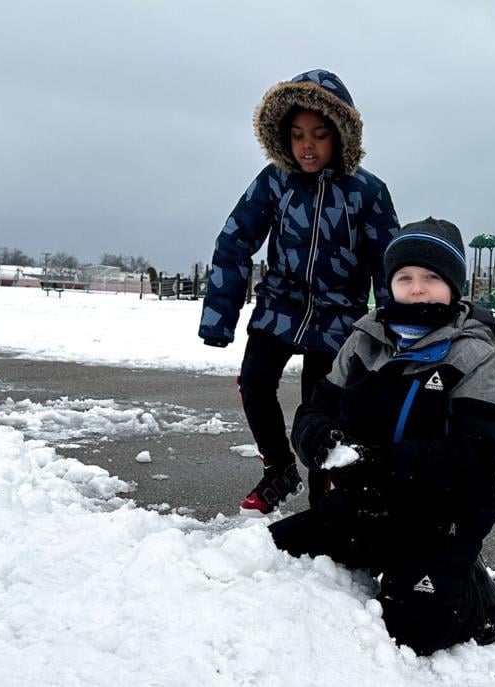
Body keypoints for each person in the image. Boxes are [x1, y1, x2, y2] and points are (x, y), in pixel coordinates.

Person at [270, 217, 495, 654]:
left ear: (453, 286)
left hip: (435, 519)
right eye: (405, 277)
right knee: (269, 558)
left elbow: (477, 457)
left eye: (431, 278)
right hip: (362, 504)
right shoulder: (366, 339)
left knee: (412, 635)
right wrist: (315, 436)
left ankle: (479, 598)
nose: (416, 288)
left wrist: (382, 462)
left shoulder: (475, 356)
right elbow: (315, 407)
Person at [198, 69, 400, 515]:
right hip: (281, 307)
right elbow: (234, 240)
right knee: (254, 384)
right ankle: (278, 468)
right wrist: (219, 316)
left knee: (321, 406)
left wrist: (393, 332)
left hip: (338, 319)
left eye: (320, 135)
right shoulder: (276, 181)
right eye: (297, 135)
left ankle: (322, 491)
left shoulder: (367, 192)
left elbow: (387, 263)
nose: (307, 146)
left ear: (341, 136)